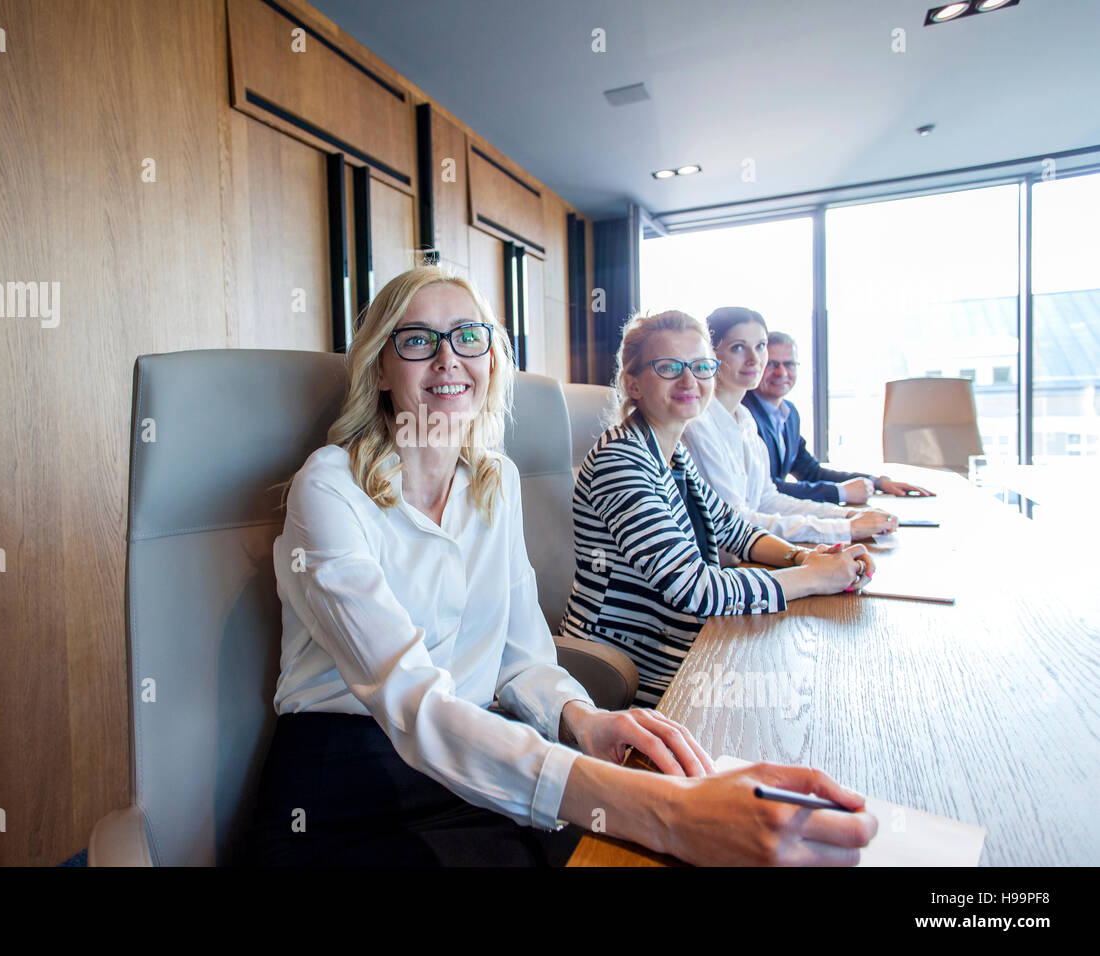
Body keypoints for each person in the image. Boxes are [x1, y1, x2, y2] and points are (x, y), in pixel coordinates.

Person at [253, 268, 877, 867]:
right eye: (417, 341)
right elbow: (411, 701)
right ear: (381, 369)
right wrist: (661, 812)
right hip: (351, 782)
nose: (448, 359)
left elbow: (523, 657)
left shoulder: (493, 482)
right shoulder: (329, 487)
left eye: (469, 336)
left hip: (481, 756)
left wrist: (583, 718)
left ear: (492, 359)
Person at [560, 308, 878, 707]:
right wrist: (812, 578)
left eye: (701, 366)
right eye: (669, 367)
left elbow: (733, 529)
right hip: (633, 663)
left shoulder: (672, 454)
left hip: (683, 643)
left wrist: (806, 555)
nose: (689, 380)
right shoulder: (620, 461)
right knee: (795, 702)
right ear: (634, 384)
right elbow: (693, 588)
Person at [683, 308, 898, 547]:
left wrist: (845, 515)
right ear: (709, 354)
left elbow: (767, 499)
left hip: (752, 553)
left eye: (760, 346)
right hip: (727, 563)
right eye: (738, 347)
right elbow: (734, 522)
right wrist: (843, 528)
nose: (754, 359)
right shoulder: (698, 425)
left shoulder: (744, 419)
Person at [745, 331, 934, 502]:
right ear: (758, 365)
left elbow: (811, 472)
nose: (782, 372)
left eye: (789, 364)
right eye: (772, 364)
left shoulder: (789, 414)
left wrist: (877, 482)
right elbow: (765, 489)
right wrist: (840, 492)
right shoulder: (744, 415)